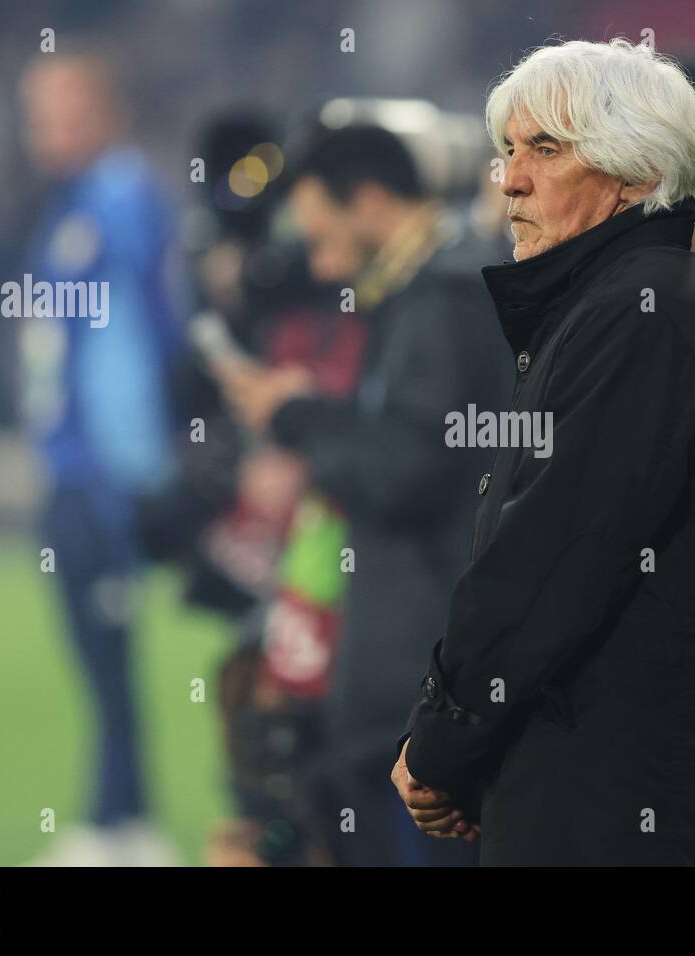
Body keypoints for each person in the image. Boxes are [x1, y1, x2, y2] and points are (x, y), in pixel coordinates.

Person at [389, 39, 695, 866]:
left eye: (546, 149)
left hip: (624, 811)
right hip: (608, 791)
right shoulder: (618, 308)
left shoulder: (644, 314)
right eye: (507, 150)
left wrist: (441, 744)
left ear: (635, 175)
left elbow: (549, 560)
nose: (510, 178)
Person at [217, 123, 510, 865]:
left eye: (320, 231)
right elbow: (412, 441)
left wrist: (295, 419)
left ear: (372, 200)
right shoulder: (430, 290)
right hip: (426, 664)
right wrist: (313, 410)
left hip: (428, 669)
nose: (316, 257)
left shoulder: (442, 298)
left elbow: (403, 474)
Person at [18, 54, 184, 865]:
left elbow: (123, 350)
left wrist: (133, 474)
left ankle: (116, 824)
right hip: (76, 470)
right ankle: (123, 818)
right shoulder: (80, 202)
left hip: (99, 477)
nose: (44, 129)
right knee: (98, 653)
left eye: (60, 109)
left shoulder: (115, 197)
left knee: (105, 651)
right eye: (36, 112)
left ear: (105, 110)